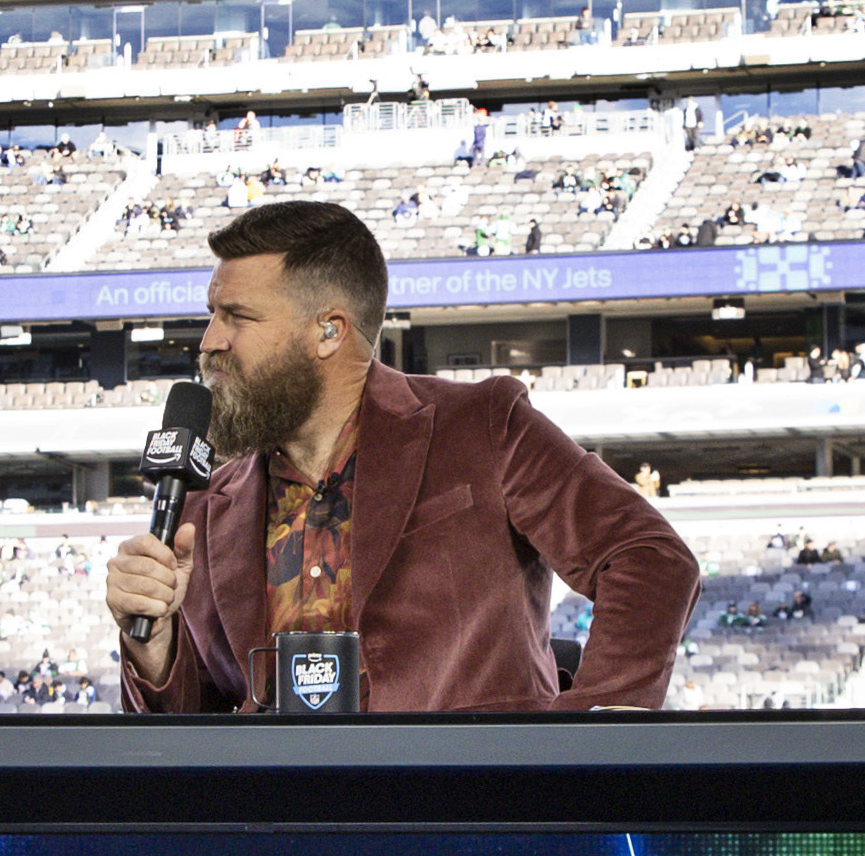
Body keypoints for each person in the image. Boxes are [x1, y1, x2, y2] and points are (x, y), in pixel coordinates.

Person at [104, 199, 697, 711]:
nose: (210, 342)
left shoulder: (482, 426)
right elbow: (195, 721)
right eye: (212, 316)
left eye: (238, 317)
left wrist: (583, 742)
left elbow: (649, 559)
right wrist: (155, 651)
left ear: (329, 331)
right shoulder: (204, 502)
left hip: (465, 821)